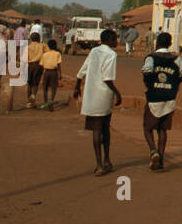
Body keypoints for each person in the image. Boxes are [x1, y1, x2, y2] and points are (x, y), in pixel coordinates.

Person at [73, 29, 122, 176]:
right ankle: (106, 159)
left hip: (91, 95)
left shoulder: (94, 51)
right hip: (104, 95)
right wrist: (117, 93)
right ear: (109, 40)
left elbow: (83, 70)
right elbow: (108, 78)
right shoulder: (112, 55)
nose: (117, 41)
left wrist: (77, 86)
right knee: (105, 128)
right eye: (115, 39)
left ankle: (99, 164)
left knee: (96, 129)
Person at [141, 31, 182, 171]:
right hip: (169, 97)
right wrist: (177, 81)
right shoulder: (175, 59)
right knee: (163, 129)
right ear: (170, 44)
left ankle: (153, 150)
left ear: (157, 43)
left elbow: (146, 72)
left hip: (154, 97)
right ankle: (161, 159)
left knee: (147, 127)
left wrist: (149, 82)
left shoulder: (151, 58)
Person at [39, 39, 63, 110]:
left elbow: (41, 65)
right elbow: (59, 65)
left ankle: (46, 103)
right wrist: (60, 74)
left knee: (45, 88)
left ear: (48, 46)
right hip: (54, 72)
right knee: (53, 88)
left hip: (46, 72)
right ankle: (51, 101)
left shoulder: (44, 54)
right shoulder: (57, 54)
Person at [25, 32, 45, 108]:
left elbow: (24, 58)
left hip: (30, 65)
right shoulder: (42, 46)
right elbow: (48, 53)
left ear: (31, 39)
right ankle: (33, 95)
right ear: (39, 39)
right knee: (36, 83)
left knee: (29, 83)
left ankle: (29, 101)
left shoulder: (28, 47)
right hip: (39, 66)